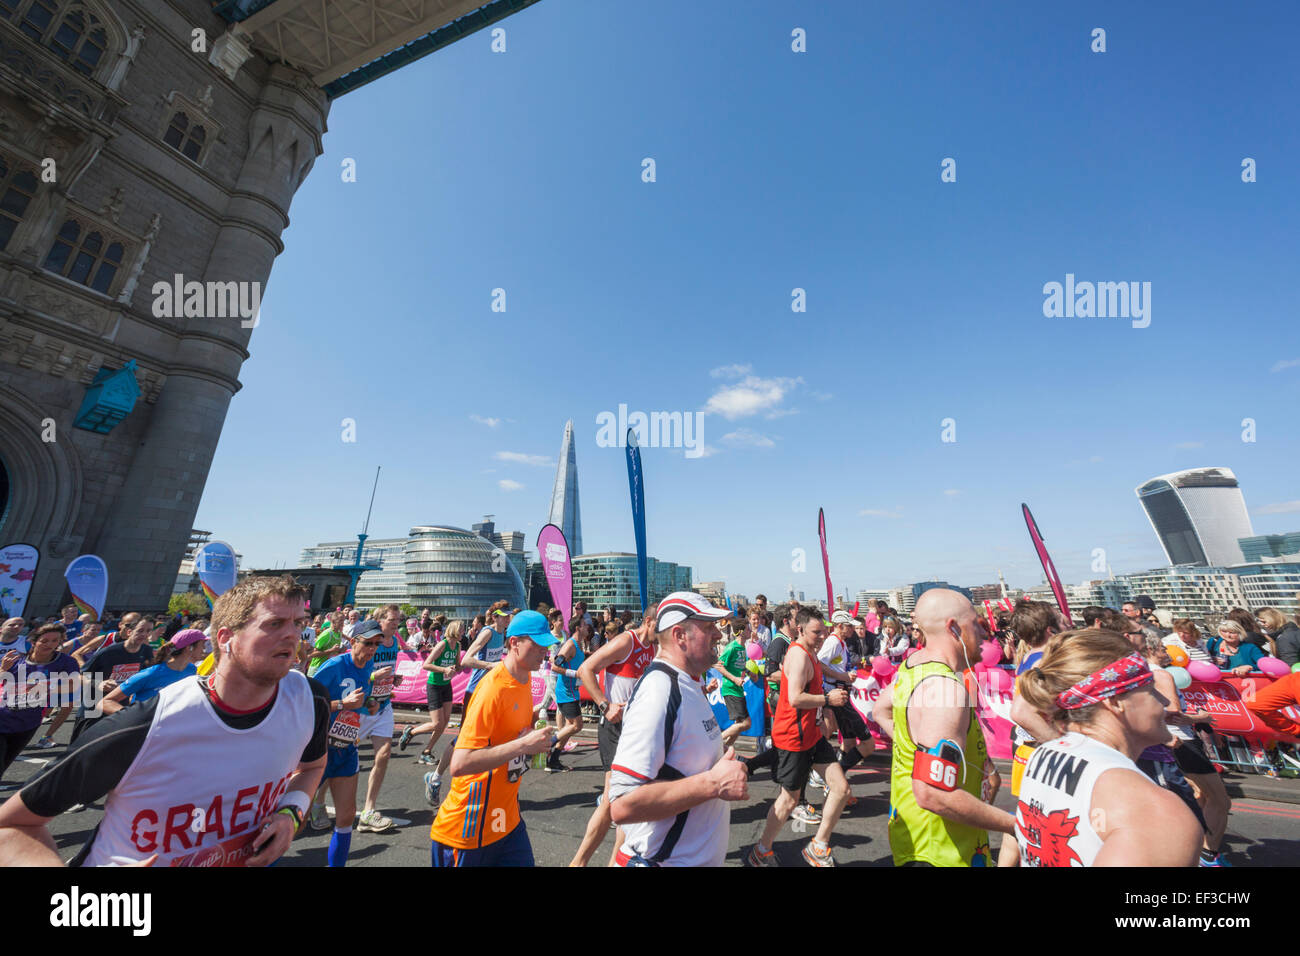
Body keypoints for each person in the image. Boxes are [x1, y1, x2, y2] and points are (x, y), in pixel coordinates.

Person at [0, 575, 330, 866]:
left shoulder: (310, 700)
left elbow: (312, 768)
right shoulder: (148, 725)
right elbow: (12, 826)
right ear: (226, 638)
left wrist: (291, 812)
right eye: (274, 623)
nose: (293, 636)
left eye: (298, 623)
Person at [1008, 628, 1202, 866]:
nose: (1164, 703)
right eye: (1150, 689)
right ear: (1115, 700)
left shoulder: (1043, 753)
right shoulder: (1153, 810)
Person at [608, 591, 747, 866]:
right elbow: (622, 805)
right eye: (709, 627)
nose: (719, 635)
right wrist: (714, 783)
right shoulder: (660, 690)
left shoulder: (688, 683)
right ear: (679, 635)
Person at [874, 588, 1010, 867]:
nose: (984, 633)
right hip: (940, 852)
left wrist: (915, 750)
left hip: (917, 839)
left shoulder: (913, 666)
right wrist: (1016, 826)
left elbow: (881, 710)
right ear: (953, 628)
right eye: (976, 624)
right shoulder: (945, 687)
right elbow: (932, 792)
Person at [428, 610, 557, 867]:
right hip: (468, 826)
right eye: (538, 643)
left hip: (504, 818)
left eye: (547, 643)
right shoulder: (493, 688)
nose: (545, 650)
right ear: (514, 643)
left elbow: (508, 737)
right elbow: (460, 764)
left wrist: (530, 736)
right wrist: (522, 744)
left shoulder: (525, 677)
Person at [748, 605, 853, 867]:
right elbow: (795, 697)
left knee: (841, 788)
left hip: (812, 735)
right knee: (789, 800)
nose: (822, 636)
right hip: (793, 737)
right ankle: (761, 850)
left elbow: (823, 670)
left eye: (824, 631)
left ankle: (818, 846)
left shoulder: (811, 652)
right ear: (800, 629)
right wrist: (828, 698)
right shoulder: (798, 656)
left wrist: (841, 676)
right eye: (816, 632)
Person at [571, 604, 659, 867]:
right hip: (614, 726)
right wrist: (604, 705)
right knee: (611, 800)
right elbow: (586, 669)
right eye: (661, 624)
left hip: (636, 729)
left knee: (628, 801)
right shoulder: (626, 641)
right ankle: (578, 862)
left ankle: (614, 863)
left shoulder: (654, 648)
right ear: (648, 621)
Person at [1138, 634, 1233, 867]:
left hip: (1171, 741)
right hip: (1180, 742)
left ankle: (1192, 851)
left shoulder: (1145, 673)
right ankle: (1208, 857)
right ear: (1151, 649)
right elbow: (1173, 714)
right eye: (1162, 647)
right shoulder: (1160, 674)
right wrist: (1202, 717)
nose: (1167, 653)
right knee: (1220, 800)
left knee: (1198, 797)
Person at [310, 618, 384, 860]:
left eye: (376, 644)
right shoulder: (333, 666)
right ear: (353, 641)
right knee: (295, 821)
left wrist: (369, 705)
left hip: (346, 748)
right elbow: (307, 704)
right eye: (368, 643)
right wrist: (343, 703)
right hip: (318, 750)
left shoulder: (368, 667)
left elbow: (358, 704)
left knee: (346, 817)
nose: (372, 649)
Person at [742, 604, 821, 827]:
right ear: (787, 620)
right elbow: (769, 671)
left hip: (796, 703)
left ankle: (750, 766)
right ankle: (796, 799)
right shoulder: (779, 642)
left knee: (786, 748)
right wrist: (791, 676)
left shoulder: (795, 644)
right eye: (797, 617)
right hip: (782, 700)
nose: (800, 621)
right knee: (791, 747)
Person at [356, 604, 411, 833]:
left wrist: (393, 678)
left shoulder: (395, 642)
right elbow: (356, 671)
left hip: (383, 705)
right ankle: (318, 801)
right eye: (392, 620)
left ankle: (368, 810)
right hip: (361, 707)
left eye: (398, 620)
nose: (396, 623)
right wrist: (372, 676)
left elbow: (387, 669)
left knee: (384, 754)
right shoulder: (368, 644)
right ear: (379, 621)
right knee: (339, 757)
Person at [0, 624, 79, 782]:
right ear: (34, 642)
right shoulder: (15, 660)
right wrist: (2, 669)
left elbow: (73, 685)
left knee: (5, 763)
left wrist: (45, 687)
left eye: (54, 640)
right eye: (44, 641)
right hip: (3, 718)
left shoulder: (66, 662)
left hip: (28, 722)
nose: (49, 644)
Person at [68, 616, 155, 746]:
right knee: (79, 746)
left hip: (119, 704)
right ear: (129, 632)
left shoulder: (146, 652)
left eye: (148, 631)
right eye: (140, 630)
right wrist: (98, 683)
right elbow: (78, 676)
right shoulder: (109, 652)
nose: (144, 634)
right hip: (94, 703)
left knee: (105, 747)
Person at [399, 619, 461, 777]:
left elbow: (457, 666)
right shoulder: (443, 644)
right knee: (436, 723)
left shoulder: (458, 646)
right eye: (461, 630)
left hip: (446, 686)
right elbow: (426, 664)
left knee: (444, 723)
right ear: (454, 630)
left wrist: (456, 668)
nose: (463, 633)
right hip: (434, 685)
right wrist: (444, 669)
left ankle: (427, 751)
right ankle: (411, 731)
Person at [98, 629, 209, 714]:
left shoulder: (192, 670)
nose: (204, 649)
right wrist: (135, 718)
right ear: (189, 648)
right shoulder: (151, 674)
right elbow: (105, 702)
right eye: (202, 645)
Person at [545, 616, 591, 773]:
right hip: (565, 691)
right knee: (576, 725)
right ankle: (549, 744)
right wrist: (574, 674)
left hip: (573, 691)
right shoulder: (570, 645)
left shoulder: (579, 644)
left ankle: (553, 760)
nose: (587, 627)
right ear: (577, 628)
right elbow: (555, 666)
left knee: (570, 726)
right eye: (584, 625)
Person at [714, 619, 752, 749]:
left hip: (738, 690)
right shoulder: (731, 647)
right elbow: (718, 666)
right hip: (731, 689)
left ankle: (722, 750)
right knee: (746, 724)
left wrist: (749, 672)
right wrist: (735, 679)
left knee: (739, 725)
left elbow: (739, 666)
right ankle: (715, 742)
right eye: (748, 629)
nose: (751, 631)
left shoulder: (742, 647)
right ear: (740, 632)